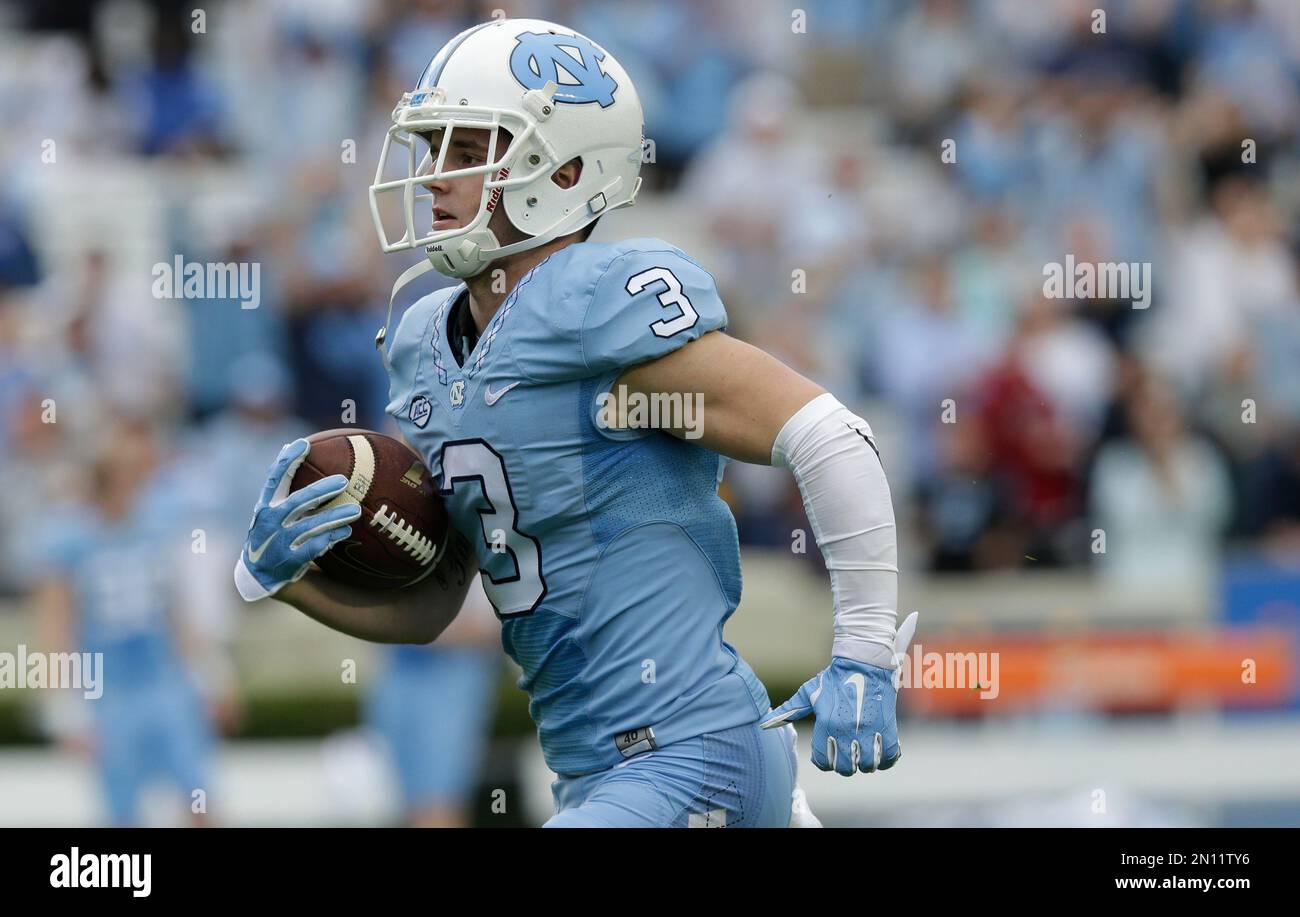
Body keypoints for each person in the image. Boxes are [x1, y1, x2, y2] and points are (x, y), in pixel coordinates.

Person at [234, 17, 915, 827]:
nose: (432, 177)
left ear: (560, 171)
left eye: (466, 148)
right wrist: (282, 579)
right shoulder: (423, 338)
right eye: (432, 148)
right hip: (595, 775)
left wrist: (865, 655)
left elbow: (830, 434)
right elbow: (439, 599)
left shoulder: (598, 299)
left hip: (690, 751)